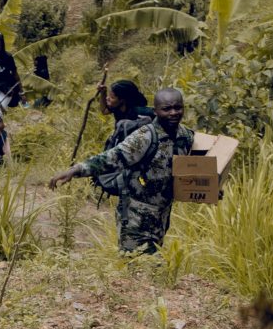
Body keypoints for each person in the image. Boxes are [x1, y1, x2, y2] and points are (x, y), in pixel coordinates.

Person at [48, 86, 194, 255]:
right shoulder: (144, 137)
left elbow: (195, 170)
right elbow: (113, 157)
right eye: (166, 109)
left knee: (151, 267)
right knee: (136, 266)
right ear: (156, 111)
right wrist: (77, 169)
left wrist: (210, 188)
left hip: (162, 216)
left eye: (178, 107)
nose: (173, 113)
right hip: (135, 216)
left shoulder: (186, 136)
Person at [100, 78, 151, 150]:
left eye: (112, 97)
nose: (107, 98)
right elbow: (104, 111)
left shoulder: (140, 112)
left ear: (122, 100)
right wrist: (103, 93)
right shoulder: (117, 108)